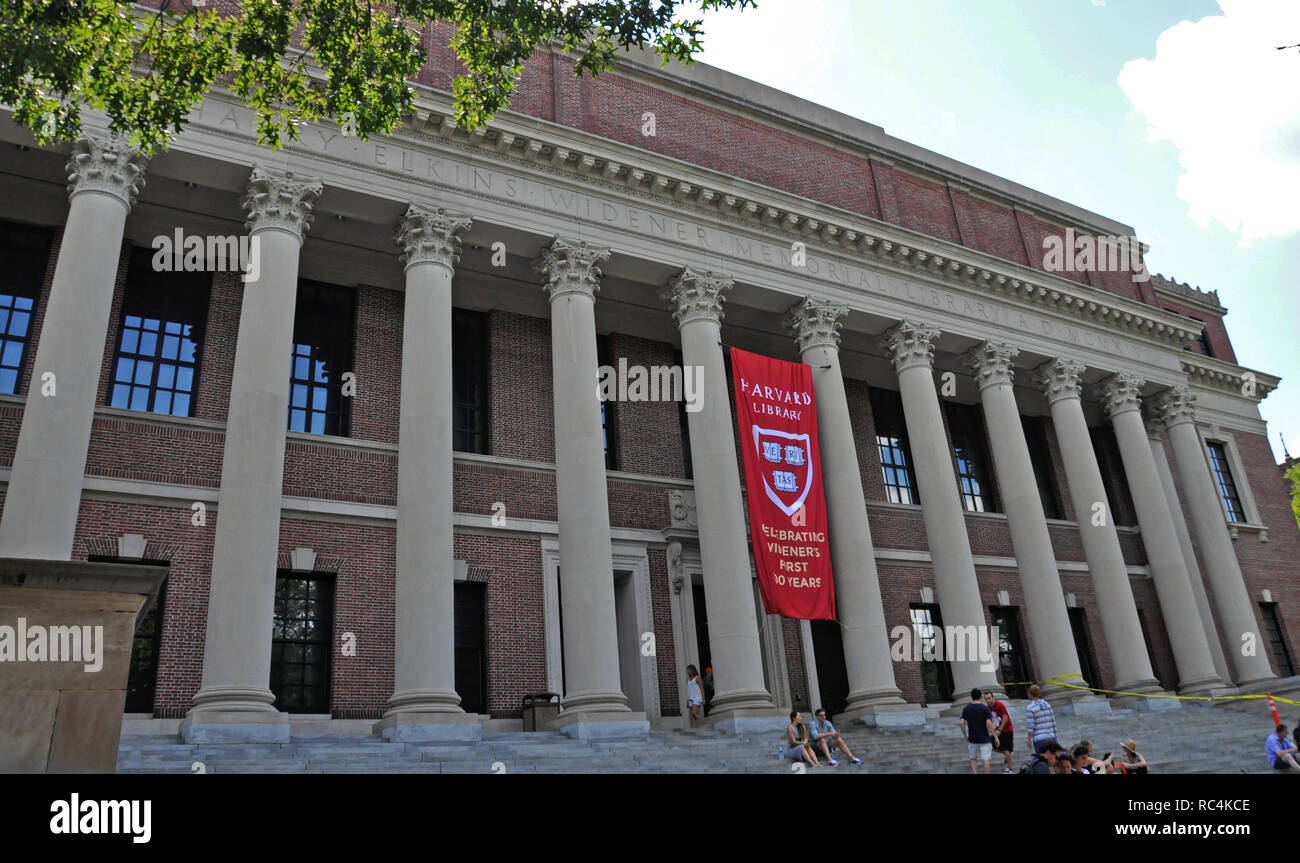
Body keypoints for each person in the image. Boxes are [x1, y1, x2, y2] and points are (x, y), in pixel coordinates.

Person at [959, 687, 998, 774]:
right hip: (984, 738)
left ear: (971, 697)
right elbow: (989, 724)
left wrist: (965, 735)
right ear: (980, 697)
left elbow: (961, 723)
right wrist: (995, 737)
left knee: (973, 758)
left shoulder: (966, 709)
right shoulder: (984, 708)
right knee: (986, 760)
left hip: (972, 739)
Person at [984, 691, 1014, 773]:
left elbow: (1005, 718)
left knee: (1005, 748)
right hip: (997, 730)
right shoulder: (987, 708)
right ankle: (1008, 755)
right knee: (990, 744)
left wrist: (1000, 730)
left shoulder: (1000, 705)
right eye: (986, 699)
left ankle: (1010, 769)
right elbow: (990, 722)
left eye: (989, 698)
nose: (988, 700)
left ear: (993, 698)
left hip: (1006, 729)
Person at [1024, 684, 1057, 754]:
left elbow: (1031, 726)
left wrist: (1029, 740)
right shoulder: (1047, 705)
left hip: (1040, 738)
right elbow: (1053, 721)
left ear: (1030, 694)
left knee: (1042, 759)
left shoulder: (1030, 708)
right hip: (1051, 736)